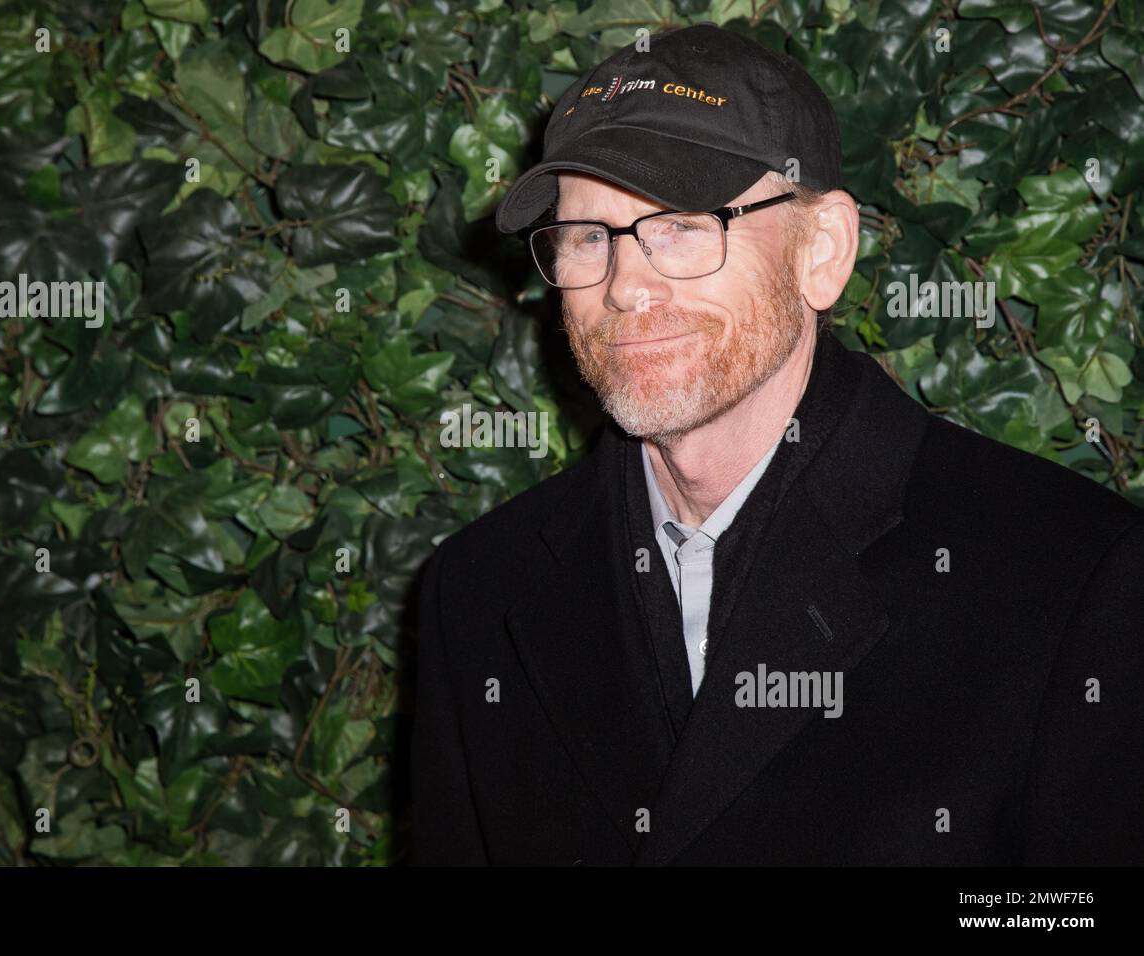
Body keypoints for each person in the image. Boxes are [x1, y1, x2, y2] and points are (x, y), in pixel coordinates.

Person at [408, 22, 1144, 865]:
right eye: (586, 236)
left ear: (821, 252)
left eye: (681, 223)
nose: (625, 285)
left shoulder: (1067, 574)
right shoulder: (479, 591)